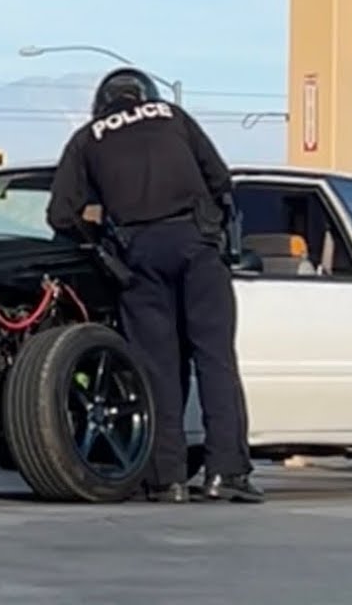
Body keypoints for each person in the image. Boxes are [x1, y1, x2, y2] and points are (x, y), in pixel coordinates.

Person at [45, 67, 264, 504]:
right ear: (146, 95)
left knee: (157, 368)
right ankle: (226, 473)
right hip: (196, 245)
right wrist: (213, 230)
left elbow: (60, 216)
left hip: (138, 255)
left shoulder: (87, 139)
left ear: (101, 104)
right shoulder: (172, 116)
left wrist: (103, 246)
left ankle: (167, 479)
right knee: (215, 359)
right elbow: (221, 181)